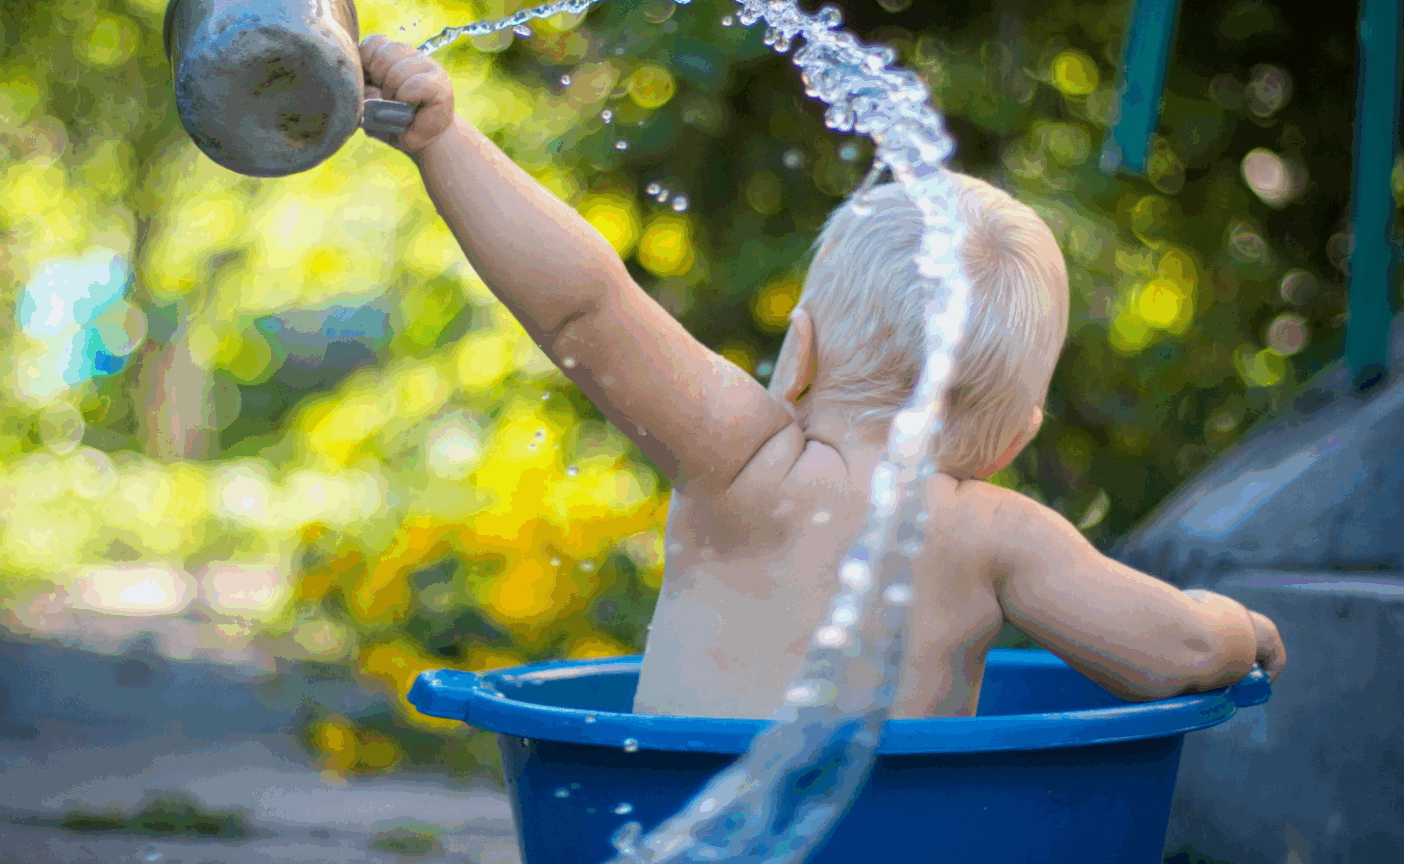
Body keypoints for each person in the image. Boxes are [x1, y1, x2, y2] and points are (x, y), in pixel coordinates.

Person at [357, 35, 1287, 719]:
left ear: (797, 355)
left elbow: (585, 308)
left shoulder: (742, 463)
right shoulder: (1002, 537)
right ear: (1015, 437)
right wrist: (1239, 630)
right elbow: (1175, 651)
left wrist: (444, 140)